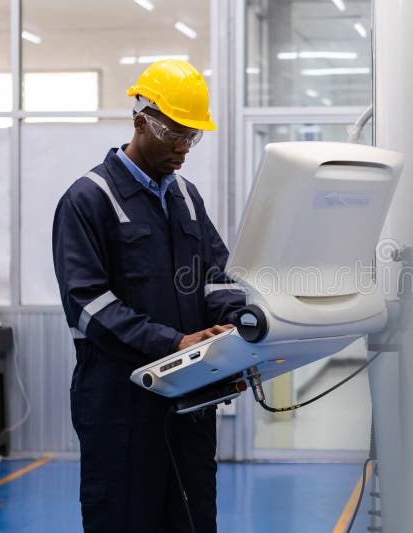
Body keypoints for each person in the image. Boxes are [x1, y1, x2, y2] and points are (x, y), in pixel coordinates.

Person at [52, 59, 245, 533]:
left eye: (192, 137)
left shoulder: (187, 196)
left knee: (193, 518)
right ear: (141, 121)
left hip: (190, 401)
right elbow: (89, 307)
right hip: (121, 408)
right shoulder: (88, 199)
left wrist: (240, 322)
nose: (184, 148)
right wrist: (174, 343)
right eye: (174, 134)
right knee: (124, 517)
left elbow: (215, 275)